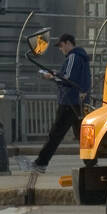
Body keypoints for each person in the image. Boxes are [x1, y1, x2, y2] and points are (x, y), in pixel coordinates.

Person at [29, 33, 91, 180]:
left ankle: (40, 163)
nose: (61, 50)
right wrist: (56, 74)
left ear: (68, 43)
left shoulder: (73, 57)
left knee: (55, 135)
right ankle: (91, 164)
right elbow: (74, 77)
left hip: (69, 102)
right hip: (80, 102)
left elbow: (67, 78)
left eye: (61, 46)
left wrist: (50, 76)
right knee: (83, 137)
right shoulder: (82, 58)